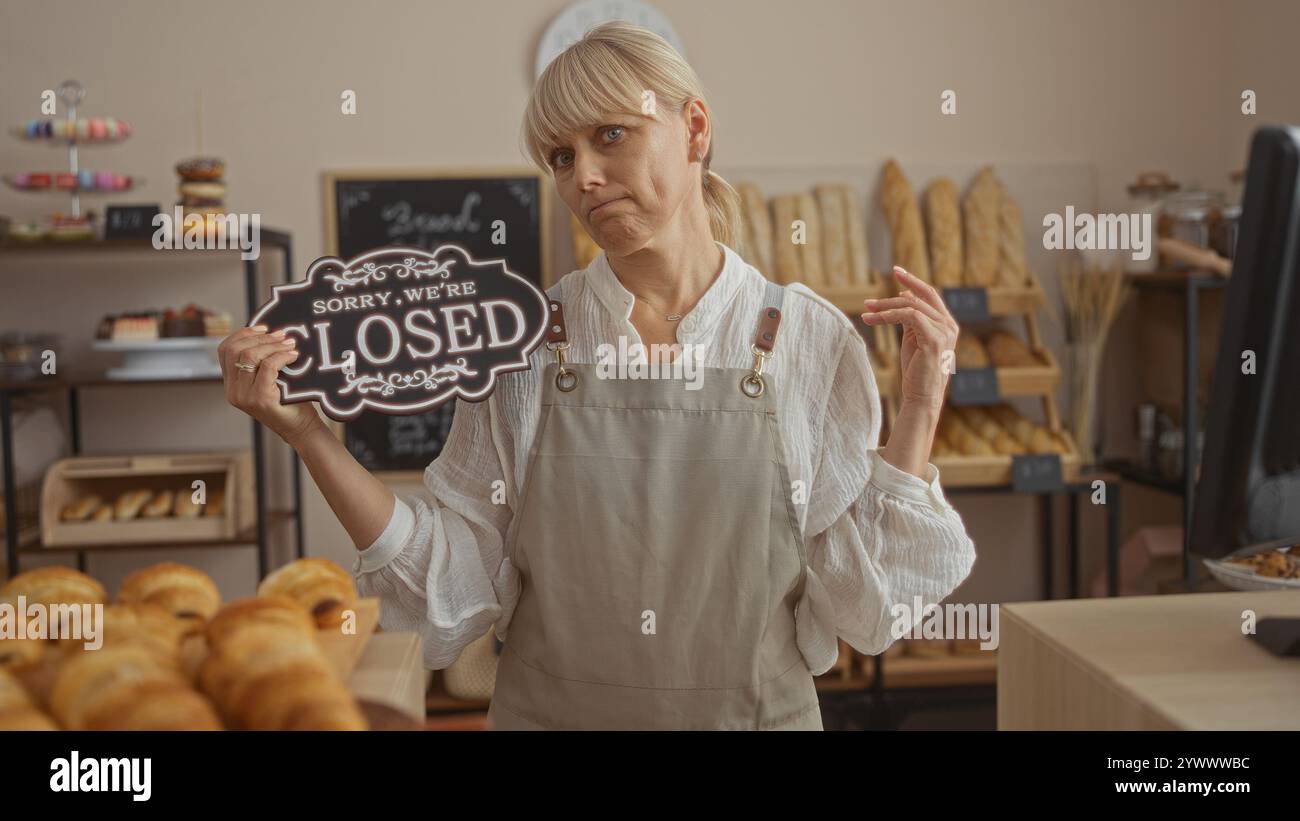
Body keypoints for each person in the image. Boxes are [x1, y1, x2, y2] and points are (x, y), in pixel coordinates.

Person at [218, 21, 975, 730]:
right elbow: (450, 593)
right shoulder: (526, 343)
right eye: (561, 157)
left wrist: (918, 407)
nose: (584, 176)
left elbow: (865, 611)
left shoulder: (806, 340)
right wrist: (313, 438)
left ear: (696, 130)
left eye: (610, 135)